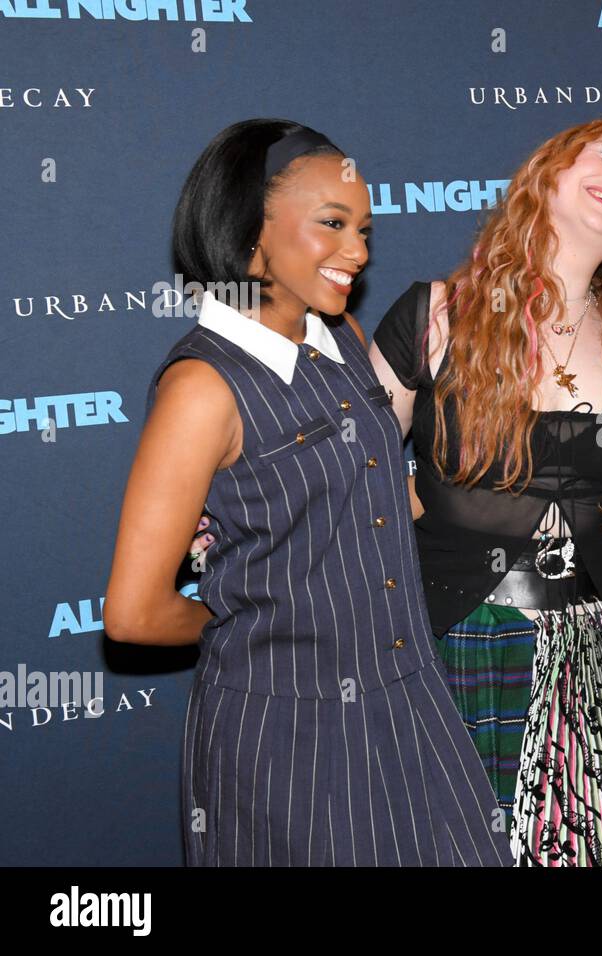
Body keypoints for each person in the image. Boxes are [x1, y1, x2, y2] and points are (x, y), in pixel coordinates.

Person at [103, 119, 509, 867]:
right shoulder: (203, 387)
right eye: (332, 224)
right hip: (287, 737)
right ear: (248, 224)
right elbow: (133, 613)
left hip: (410, 698)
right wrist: (258, 632)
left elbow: (374, 502)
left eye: (363, 229)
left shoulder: (342, 338)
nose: (358, 251)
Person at [369, 119, 602, 866]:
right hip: (455, 650)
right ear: (550, 169)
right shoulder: (436, 314)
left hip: (597, 659)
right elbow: (351, 475)